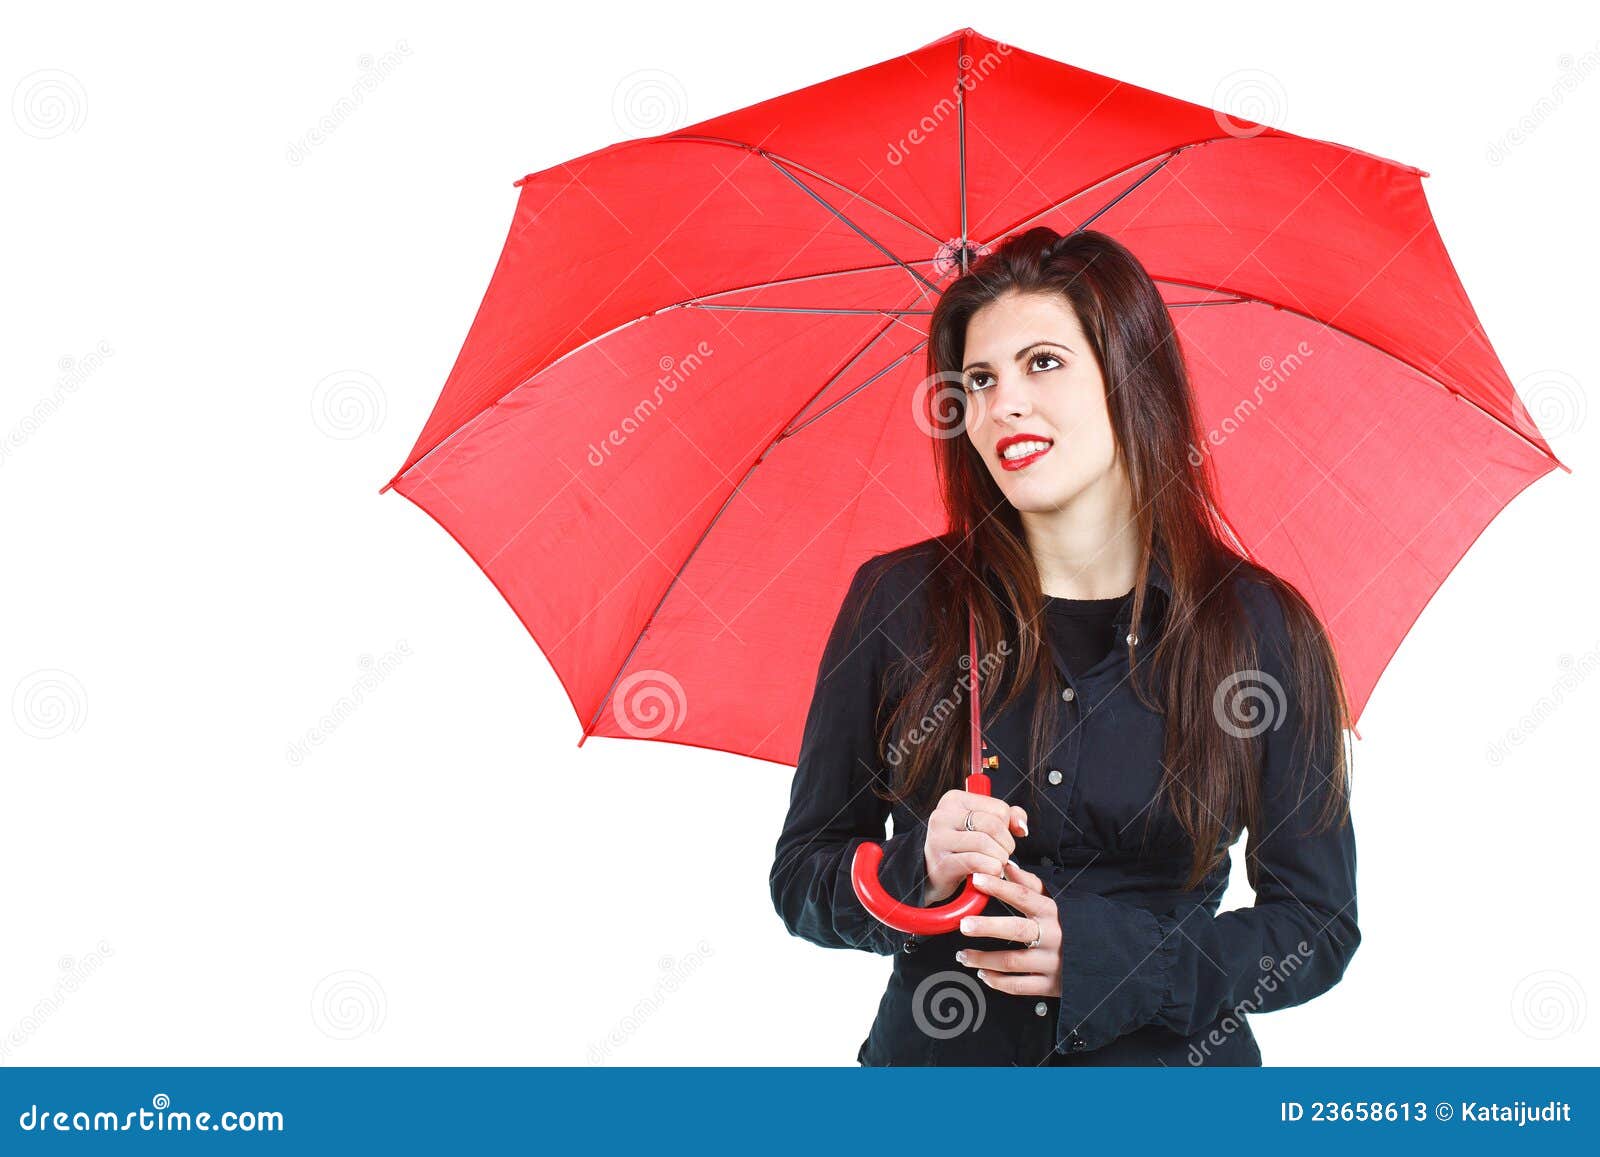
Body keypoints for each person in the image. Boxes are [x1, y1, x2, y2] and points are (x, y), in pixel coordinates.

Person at [768, 226, 1359, 1066]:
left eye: (1043, 362)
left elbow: (1317, 922)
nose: (1003, 402)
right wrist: (918, 869)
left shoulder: (1260, 627)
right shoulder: (898, 602)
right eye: (978, 378)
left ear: (1130, 374)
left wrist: (1125, 963)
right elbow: (803, 875)